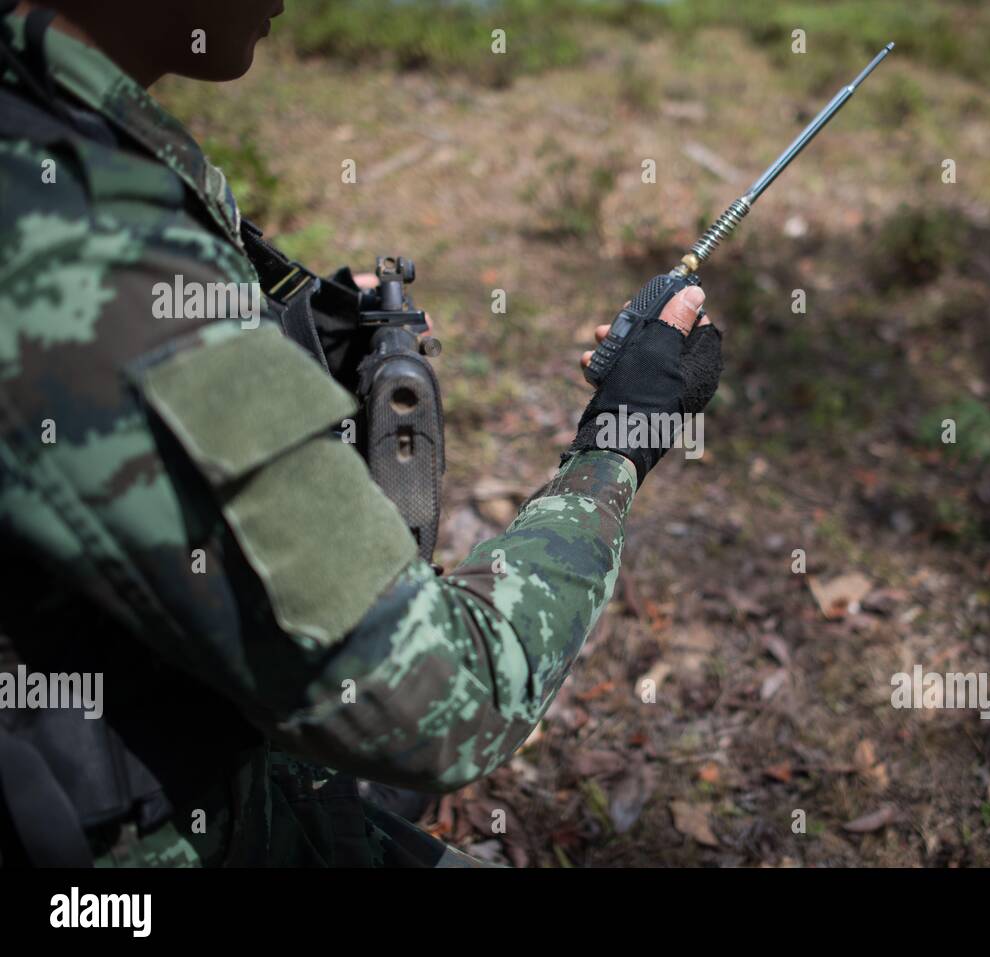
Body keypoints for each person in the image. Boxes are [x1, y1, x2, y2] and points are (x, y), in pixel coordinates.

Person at [0, 0, 722, 866]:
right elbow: (442, 700)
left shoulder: (47, 131)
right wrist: (617, 442)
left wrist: (286, 338)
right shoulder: (80, 244)